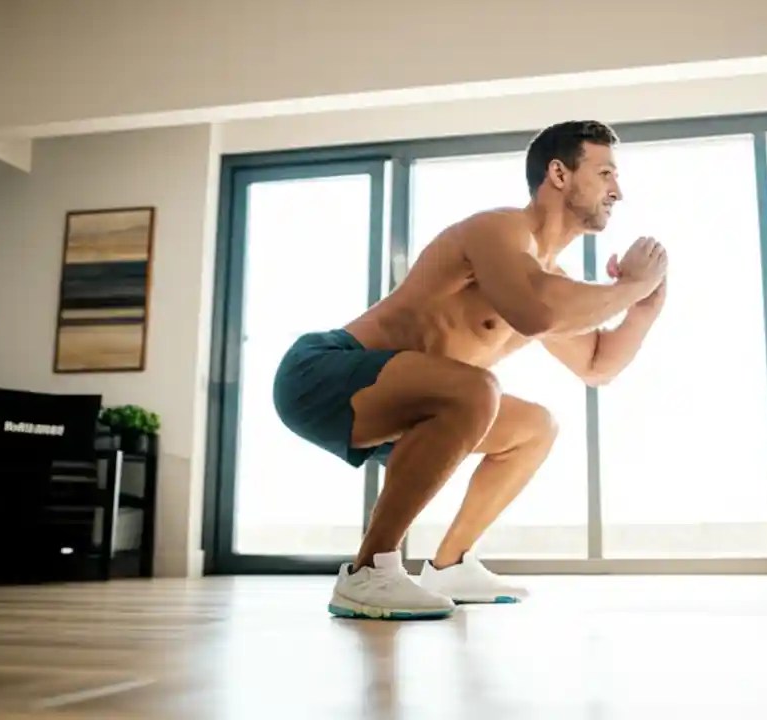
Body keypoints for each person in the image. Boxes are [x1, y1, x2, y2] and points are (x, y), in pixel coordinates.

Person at [273, 120, 668, 619]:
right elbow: (535, 312)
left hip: (410, 406)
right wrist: (629, 287)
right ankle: (368, 572)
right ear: (559, 174)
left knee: (534, 427)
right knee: (479, 389)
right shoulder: (499, 231)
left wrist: (642, 309)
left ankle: (450, 565)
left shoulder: (554, 280)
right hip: (322, 373)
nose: (618, 190)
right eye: (606, 172)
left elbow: (596, 364)